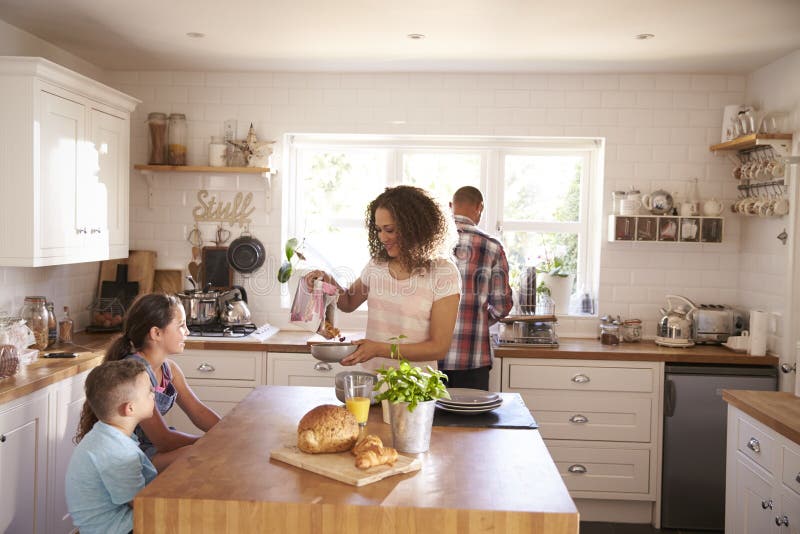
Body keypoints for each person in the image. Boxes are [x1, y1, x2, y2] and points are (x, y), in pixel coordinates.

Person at [307, 185, 461, 372]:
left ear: (415, 228)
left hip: (415, 388)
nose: (382, 237)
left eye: (389, 230)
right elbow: (347, 302)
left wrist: (379, 349)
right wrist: (327, 280)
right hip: (373, 382)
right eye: (379, 230)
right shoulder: (377, 265)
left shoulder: (443, 272)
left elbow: (438, 348)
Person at [79, 293, 221, 471]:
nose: (188, 332)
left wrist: (226, 432)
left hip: (152, 449)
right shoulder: (135, 375)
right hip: (132, 454)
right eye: (181, 326)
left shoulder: (170, 369)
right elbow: (163, 440)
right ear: (156, 333)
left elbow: (197, 411)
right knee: (201, 455)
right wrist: (211, 442)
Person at [66, 359, 158, 534]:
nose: (153, 394)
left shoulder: (107, 436)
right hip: (118, 529)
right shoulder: (117, 452)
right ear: (129, 409)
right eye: (149, 392)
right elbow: (141, 504)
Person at [440, 186, 513, 390]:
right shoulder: (492, 247)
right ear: (480, 207)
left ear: (450, 207)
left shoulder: (430, 244)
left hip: (429, 357)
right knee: (472, 421)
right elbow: (502, 306)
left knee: (430, 421)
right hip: (472, 358)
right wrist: (478, 320)